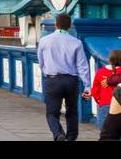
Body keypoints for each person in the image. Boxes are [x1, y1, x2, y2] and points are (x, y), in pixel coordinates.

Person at [37, 12, 91, 142]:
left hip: (53, 80)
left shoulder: (45, 40)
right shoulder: (76, 42)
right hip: (71, 80)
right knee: (72, 112)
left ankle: (58, 133)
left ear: (56, 25)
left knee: (52, 113)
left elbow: (41, 61)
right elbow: (82, 66)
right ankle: (71, 138)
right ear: (69, 26)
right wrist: (87, 86)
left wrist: (47, 73)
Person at [90, 50, 121, 130]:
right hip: (119, 105)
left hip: (104, 104)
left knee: (106, 132)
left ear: (110, 60)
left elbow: (94, 91)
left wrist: (100, 101)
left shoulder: (101, 71)